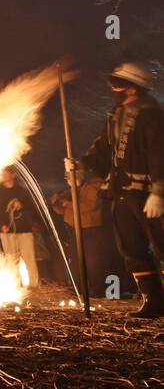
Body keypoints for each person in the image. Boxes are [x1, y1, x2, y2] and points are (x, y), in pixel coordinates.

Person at [73, 62, 164, 317]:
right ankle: (154, 302)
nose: (113, 87)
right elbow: (102, 148)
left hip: (148, 195)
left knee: (162, 244)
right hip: (121, 194)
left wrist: (159, 191)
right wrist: (81, 164)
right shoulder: (115, 114)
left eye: (119, 83)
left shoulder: (152, 115)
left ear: (133, 88)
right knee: (131, 248)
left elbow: (159, 153)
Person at [51, 174, 129, 299]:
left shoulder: (93, 187)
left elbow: (90, 206)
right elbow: (63, 211)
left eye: (70, 176)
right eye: (67, 178)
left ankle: (99, 290)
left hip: (90, 230)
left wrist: (68, 203)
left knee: (93, 262)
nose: (68, 180)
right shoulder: (69, 191)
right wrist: (56, 204)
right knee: (76, 261)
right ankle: (79, 290)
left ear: (78, 174)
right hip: (74, 229)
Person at [0, 166, 41, 287]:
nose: (2, 175)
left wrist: (22, 205)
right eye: (1, 173)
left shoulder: (22, 191)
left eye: (5, 173)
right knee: (11, 262)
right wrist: (1, 225)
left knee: (30, 261)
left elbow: (33, 210)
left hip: (25, 231)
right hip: (7, 232)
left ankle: (35, 287)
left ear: (13, 175)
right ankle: (17, 288)